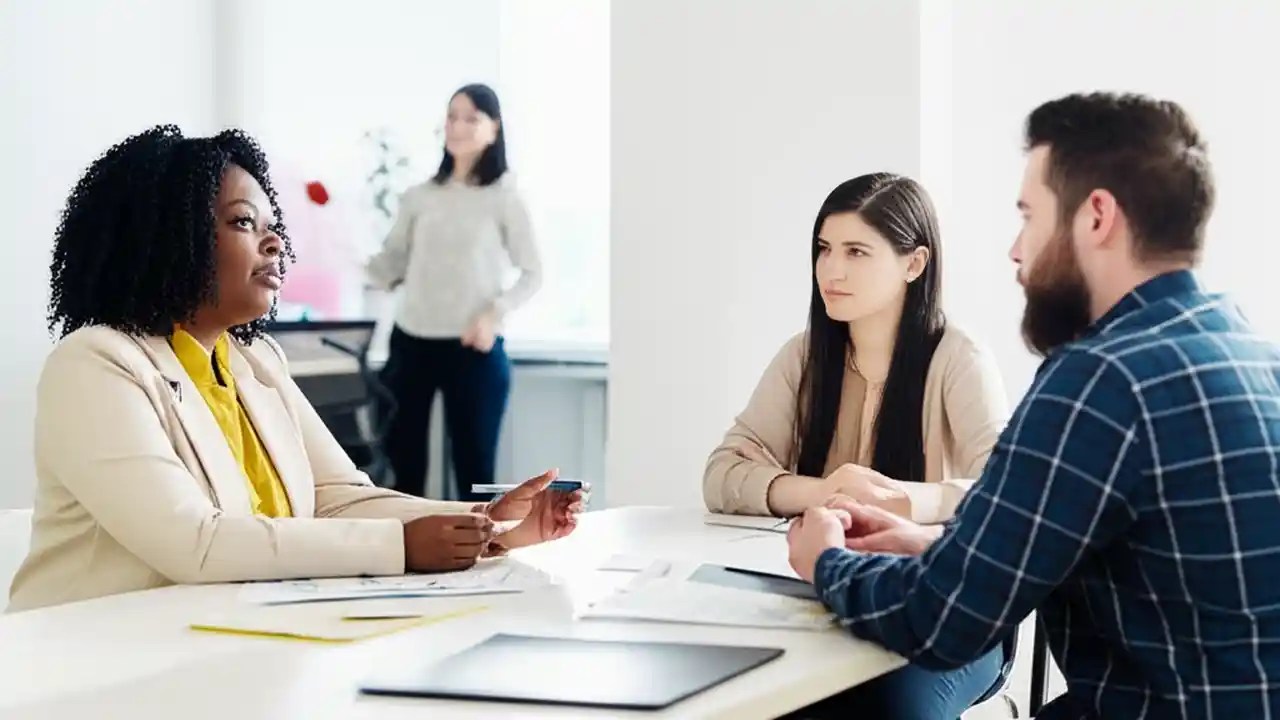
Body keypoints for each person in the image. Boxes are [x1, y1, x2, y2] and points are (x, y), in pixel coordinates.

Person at [788, 92, 1280, 719]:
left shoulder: (1102, 379)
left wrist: (825, 561)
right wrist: (929, 541)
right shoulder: (1251, 354)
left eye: (1029, 215)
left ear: (1096, 216)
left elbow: (940, 621)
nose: (1016, 250)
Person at [7, 126, 581, 613]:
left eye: (269, 223)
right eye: (242, 223)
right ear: (167, 240)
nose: (275, 241)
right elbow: (194, 543)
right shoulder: (95, 364)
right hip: (88, 662)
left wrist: (488, 523)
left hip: (215, 645)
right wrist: (400, 546)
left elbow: (339, 499)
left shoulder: (257, 362)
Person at [705, 174, 1011, 717]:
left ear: (914, 264)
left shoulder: (959, 358)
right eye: (824, 249)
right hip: (825, 596)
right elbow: (724, 472)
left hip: (941, 605)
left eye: (856, 252)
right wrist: (823, 491)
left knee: (885, 707)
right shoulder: (804, 356)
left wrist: (907, 501)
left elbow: (1008, 495)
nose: (832, 270)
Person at [366, 83, 541, 503]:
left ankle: (477, 564)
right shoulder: (419, 197)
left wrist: (492, 314)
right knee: (404, 473)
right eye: (451, 116)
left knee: (474, 475)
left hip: (474, 349)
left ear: (494, 129)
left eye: (470, 118)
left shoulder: (505, 198)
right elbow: (389, 266)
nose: (457, 126)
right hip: (412, 344)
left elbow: (533, 274)